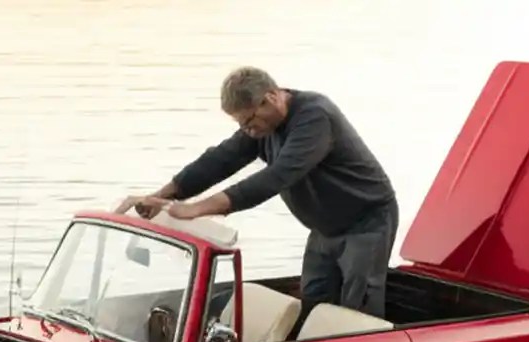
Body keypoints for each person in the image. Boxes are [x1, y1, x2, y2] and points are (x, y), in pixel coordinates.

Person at [115, 66, 399, 324]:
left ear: (272, 97)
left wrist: (197, 209)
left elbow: (275, 178)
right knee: (313, 304)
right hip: (323, 228)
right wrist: (161, 196)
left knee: (359, 312)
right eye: (241, 125)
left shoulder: (314, 116)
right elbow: (220, 161)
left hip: (366, 221)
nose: (247, 130)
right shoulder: (260, 127)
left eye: (249, 120)